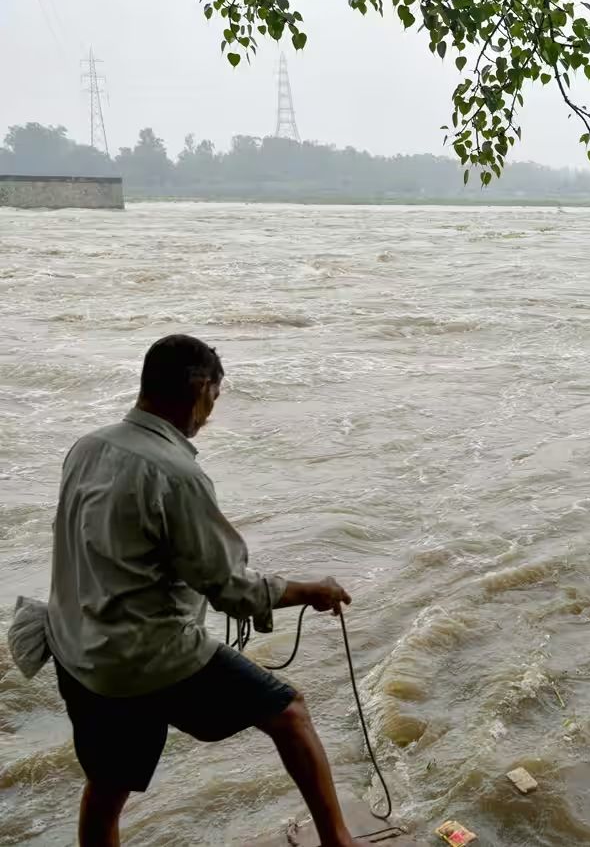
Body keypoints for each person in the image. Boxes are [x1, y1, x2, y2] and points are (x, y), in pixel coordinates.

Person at [16, 334, 375, 847]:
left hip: (78, 647)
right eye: (215, 398)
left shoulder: (88, 446)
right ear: (202, 387)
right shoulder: (177, 473)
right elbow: (230, 586)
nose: (209, 414)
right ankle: (338, 841)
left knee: (108, 783)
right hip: (145, 656)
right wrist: (310, 590)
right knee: (290, 713)